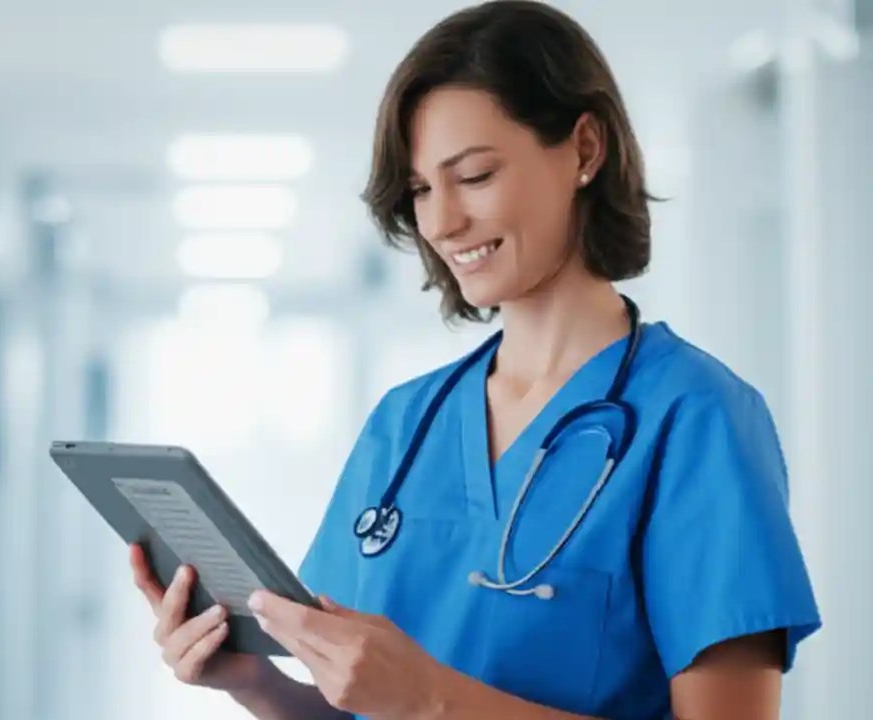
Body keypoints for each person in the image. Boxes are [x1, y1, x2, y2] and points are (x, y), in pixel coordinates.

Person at [127, 1, 821, 717]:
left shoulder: (695, 418)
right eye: (422, 189)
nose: (441, 221)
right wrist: (251, 681)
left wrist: (433, 698)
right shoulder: (406, 423)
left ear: (585, 150)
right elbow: (360, 707)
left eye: (476, 175)